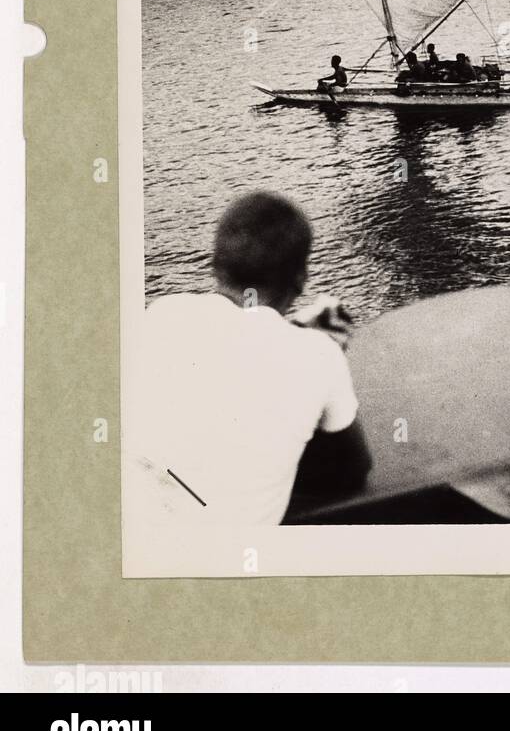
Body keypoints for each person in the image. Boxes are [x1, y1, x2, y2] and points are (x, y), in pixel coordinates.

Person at [126, 192, 371, 525]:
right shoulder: (319, 356)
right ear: (300, 280)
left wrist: (294, 334)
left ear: (215, 265)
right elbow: (350, 472)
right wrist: (313, 352)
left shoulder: (158, 316)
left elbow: (227, 355)